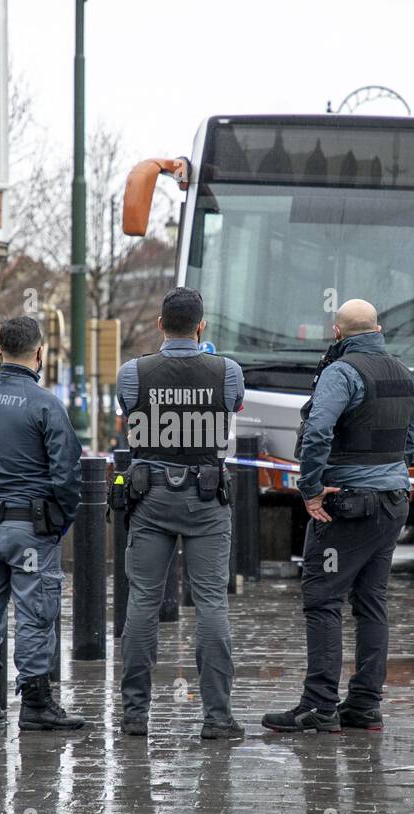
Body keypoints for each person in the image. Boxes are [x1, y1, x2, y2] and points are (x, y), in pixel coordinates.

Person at [262, 298, 414, 733]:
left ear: (337, 334)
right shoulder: (403, 374)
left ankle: (319, 704)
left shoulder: (341, 372)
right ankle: (366, 705)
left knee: (323, 598)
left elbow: (317, 431)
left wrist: (311, 489)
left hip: (348, 505)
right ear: (379, 328)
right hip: (393, 501)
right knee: (372, 601)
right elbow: (412, 443)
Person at [115, 287, 245, 740]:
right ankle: (217, 717)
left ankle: (134, 715)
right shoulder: (227, 371)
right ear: (201, 326)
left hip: (150, 498)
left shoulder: (133, 373)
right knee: (211, 603)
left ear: (159, 324)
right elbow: (232, 409)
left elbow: (129, 413)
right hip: (206, 500)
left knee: (143, 602)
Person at [0, 315, 86, 731]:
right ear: (39, 352)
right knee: (34, 614)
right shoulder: (45, 404)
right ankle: (36, 704)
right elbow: (67, 474)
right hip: (31, 528)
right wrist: (59, 520)